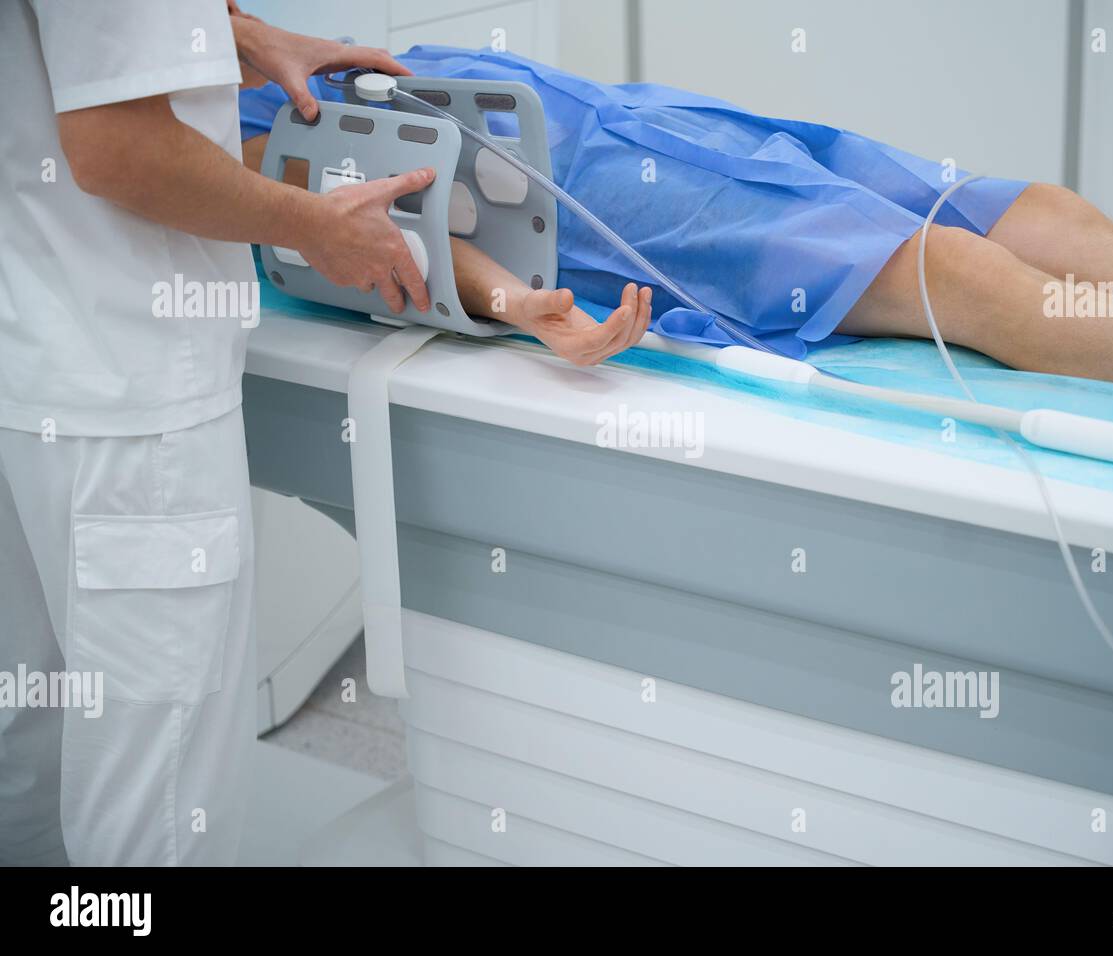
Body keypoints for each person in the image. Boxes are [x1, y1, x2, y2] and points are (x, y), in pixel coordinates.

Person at [0, 0, 653, 867]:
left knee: (36, 755)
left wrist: (236, 32)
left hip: (38, 357)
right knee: (155, 813)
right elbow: (120, 145)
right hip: (128, 392)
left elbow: (81, 40)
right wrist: (319, 228)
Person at [240, 45, 1113, 408]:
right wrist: (513, 303)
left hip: (612, 114)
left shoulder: (224, 33)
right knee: (962, 277)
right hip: (586, 198)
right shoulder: (190, 109)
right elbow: (361, 218)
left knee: (1040, 215)